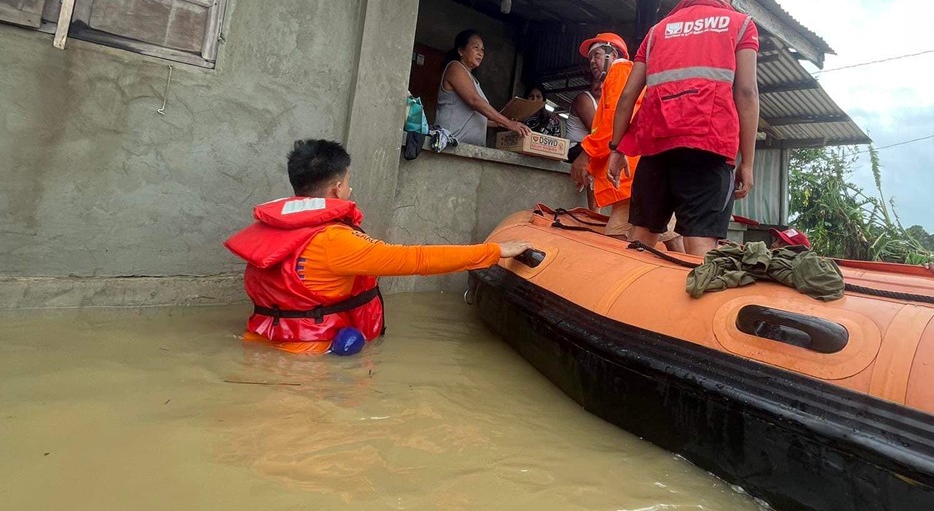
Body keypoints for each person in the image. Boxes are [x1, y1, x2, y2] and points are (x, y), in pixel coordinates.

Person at [225, 139, 533, 354]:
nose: (350, 188)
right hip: (312, 362)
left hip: (259, 343)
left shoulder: (268, 228)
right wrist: (495, 251)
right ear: (336, 187)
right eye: (347, 182)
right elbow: (418, 260)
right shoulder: (336, 241)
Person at [606, 0, 761, 256]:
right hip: (709, 146)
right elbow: (747, 92)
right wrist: (747, 162)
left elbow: (628, 95)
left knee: (641, 236)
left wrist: (617, 148)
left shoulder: (657, 31)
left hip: (656, 148)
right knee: (700, 242)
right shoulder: (741, 25)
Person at [569, 33, 682, 250]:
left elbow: (613, 124)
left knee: (620, 236)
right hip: (637, 171)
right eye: (590, 57)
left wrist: (586, 155)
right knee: (665, 233)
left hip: (632, 171)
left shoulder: (620, 72)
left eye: (598, 55)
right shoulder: (620, 75)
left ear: (614, 54)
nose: (592, 61)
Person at [436, 29, 530, 145]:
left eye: (482, 50)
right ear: (461, 50)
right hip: (450, 145)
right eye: (476, 48)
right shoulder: (455, 67)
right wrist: (507, 122)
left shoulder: (474, 81)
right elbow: (474, 101)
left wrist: (497, 123)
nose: (480, 53)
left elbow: (472, 116)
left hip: (466, 148)